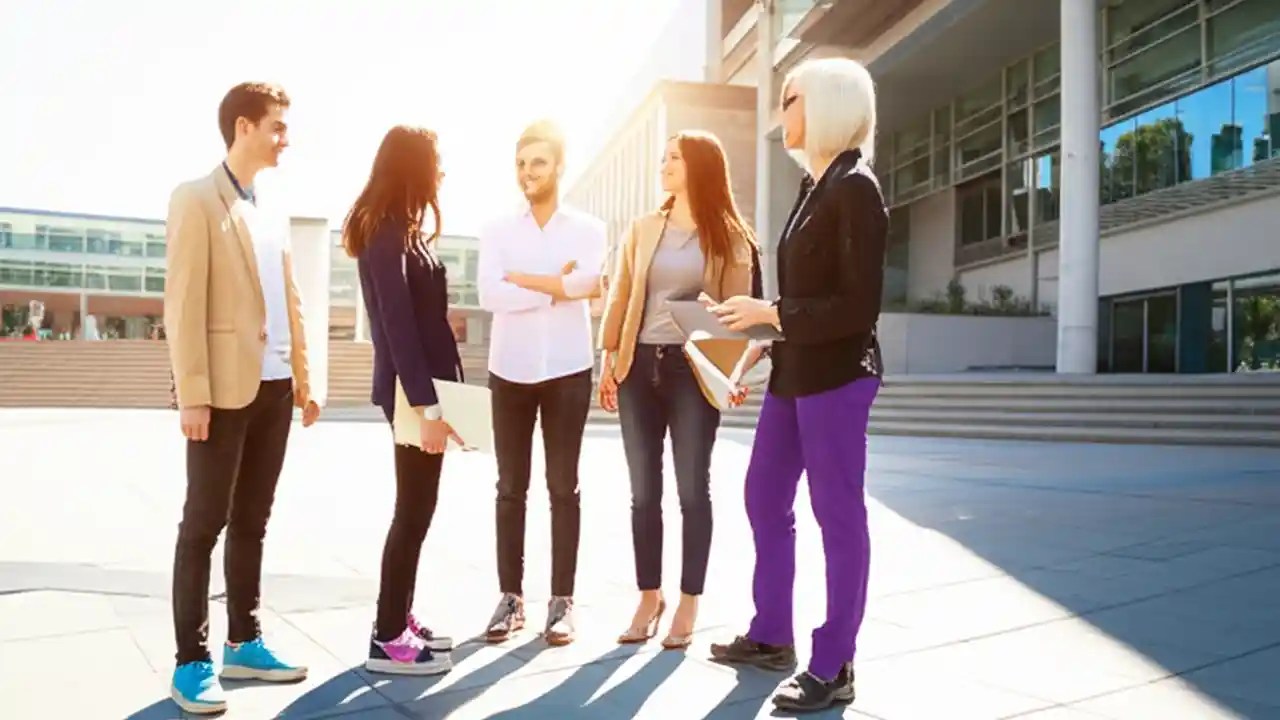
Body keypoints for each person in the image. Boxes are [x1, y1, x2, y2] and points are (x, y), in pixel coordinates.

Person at [706, 57, 888, 713]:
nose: (780, 111)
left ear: (828, 104)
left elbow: (858, 307)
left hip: (837, 378)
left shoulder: (857, 189)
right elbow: (809, 296)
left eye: (790, 99)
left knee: (837, 516)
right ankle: (771, 634)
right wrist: (760, 343)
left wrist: (771, 314)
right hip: (793, 372)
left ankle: (834, 662)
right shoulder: (816, 188)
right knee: (763, 497)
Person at [164, 82, 322, 715]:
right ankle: (191, 660)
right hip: (222, 393)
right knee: (204, 524)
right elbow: (183, 305)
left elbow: (290, 298)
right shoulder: (196, 199)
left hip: (275, 387)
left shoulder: (270, 208)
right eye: (278, 127)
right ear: (244, 127)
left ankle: (245, 642)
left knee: (253, 521)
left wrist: (305, 379)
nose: (287, 138)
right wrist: (192, 395)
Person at [598, 131, 756, 649]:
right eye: (662, 155)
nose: (663, 164)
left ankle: (688, 603)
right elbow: (622, 294)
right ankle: (650, 597)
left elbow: (739, 316)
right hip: (637, 366)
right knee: (644, 492)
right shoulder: (643, 228)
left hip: (693, 372)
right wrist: (608, 363)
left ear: (700, 167)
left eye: (673, 157)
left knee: (692, 490)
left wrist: (733, 373)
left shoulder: (731, 237)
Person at [478, 119, 606, 646]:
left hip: (569, 370)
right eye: (521, 163)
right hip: (509, 370)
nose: (527, 172)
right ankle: (511, 599)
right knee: (511, 489)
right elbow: (490, 294)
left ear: (559, 167)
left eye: (538, 162)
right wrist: (554, 287)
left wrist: (524, 281)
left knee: (563, 488)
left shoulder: (589, 229)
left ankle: (562, 601)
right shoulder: (496, 230)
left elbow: (590, 284)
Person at [345, 126, 462, 675]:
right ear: (413, 165)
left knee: (419, 511)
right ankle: (387, 634)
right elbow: (396, 328)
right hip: (412, 393)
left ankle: (399, 616)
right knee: (411, 511)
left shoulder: (404, 229)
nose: (441, 172)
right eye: (436, 161)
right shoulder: (385, 233)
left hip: (427, 390)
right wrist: (429, 407)